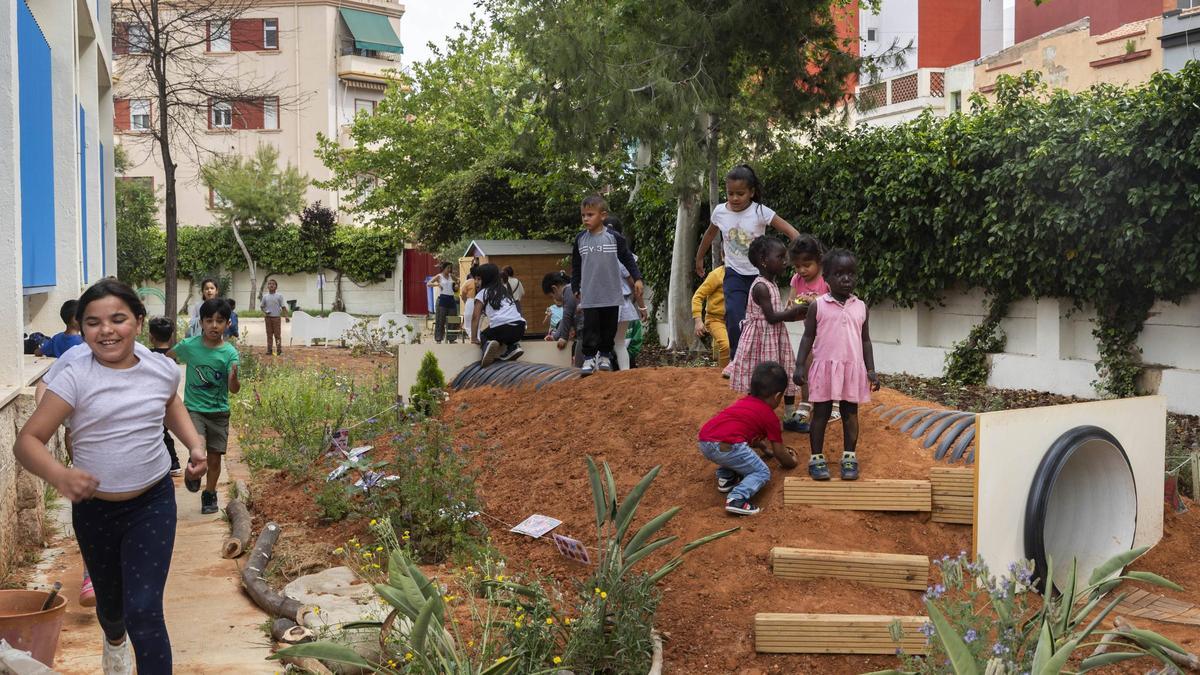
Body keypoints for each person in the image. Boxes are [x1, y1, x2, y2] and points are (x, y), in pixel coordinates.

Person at [14, 278, 207, 674]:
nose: (106, 330)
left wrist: (194, 444)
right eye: (93, 322)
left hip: (152, 503)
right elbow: (27, 441)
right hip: (95, 509)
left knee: (145, 611)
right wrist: (60, 476)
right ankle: (114, 640)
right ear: (81, 328)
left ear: (138, 322)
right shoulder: (75, 375)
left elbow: (170, 404)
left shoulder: (160, 368)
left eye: (118, 319)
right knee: (111, 606)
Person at [693, 164, 799, 362]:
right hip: (734, 274)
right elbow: (709, 235)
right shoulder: (720, 212)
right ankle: (737, 361)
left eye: (740, 194)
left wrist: (801, 253)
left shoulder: (760, 211)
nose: (734, 198)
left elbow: (790, 231)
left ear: (751, 192)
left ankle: (765, 361)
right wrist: (699, 258)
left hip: (761, 276)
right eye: (730, 193)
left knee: (764, 319)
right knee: (734, 316)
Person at [793, 249, 879, 482]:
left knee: (850, 413)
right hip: (824, 369)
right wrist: (799, 366)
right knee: (820, 413)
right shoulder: (818, 306)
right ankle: (816, 458)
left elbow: (865, 340)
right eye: (839, 274)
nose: (846, 278)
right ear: (826, 278)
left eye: (851, 273)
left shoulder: (861, 307)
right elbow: (807, 337)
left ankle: (849, 457)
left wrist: (871, 370)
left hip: (852, 369)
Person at [698, 361, 799, 516]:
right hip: (729, 445)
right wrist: (792, 461)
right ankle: (737, 498)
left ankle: (726, 477)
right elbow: (780, 453)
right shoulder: (770, 417)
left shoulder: (743, 402)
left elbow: (747, 434)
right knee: (762, 472)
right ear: (777, 396)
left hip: (705, 441)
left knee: (733, 453)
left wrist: (764, 448)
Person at [728, 236, 807, 427]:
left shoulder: (771, 284)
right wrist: (794, 312)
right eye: (780, 257)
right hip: (761, 339)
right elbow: (771, 317)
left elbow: (776, 316)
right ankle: (756, 416)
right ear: (764, 260)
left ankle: (788, 417)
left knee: (785, 370)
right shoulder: (761, 287)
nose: (785, 261)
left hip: (774, 336)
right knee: (764, 378)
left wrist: (799, 313)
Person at [170, 298, 240, 514]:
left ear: (228, 324)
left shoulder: (230, 353)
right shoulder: (189, 346)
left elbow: (234, 389)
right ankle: (194, 467)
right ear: (201, 322)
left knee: (215, 459)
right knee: (199, 448)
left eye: (220, 321)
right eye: (209, 320)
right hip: (194, 410)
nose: (214, 325)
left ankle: (209, 493)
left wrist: (233, 378)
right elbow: (167, 358)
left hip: (219, 413)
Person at [571, 195, 643, 375]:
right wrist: (575, 287)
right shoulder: (580, 239)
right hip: (590, 294)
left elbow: (628, 258)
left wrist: (637, 278)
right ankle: (589, 358)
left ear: (602, 215)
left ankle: (604, 355)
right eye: (583, 215)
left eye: (590, 214)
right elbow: (576, 265)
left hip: (611, 293)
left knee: (609, 328)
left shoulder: (614, 237)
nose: (586, 219)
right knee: (590, 327)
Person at [786, 235, 833, 431]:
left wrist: (815, 300)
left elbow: (836, 303)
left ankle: (834, 402)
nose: (801, 270)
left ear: (819, 261)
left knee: (831, 366)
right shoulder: (797, 280)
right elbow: (792, 304)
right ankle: (806, 400)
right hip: (811, 332)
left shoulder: (827, 278)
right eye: (797, 266)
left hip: (831, 333)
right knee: (805, 362)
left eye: (807, 265)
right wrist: (793, 307)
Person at [147, 317, 183, 477]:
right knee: (161, 431)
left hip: (153, 400)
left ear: (151, 336)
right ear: (171, 336)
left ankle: (173, 462)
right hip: (167, 398)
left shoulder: (148, 356)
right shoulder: (172, 357)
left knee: (160, 432)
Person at [471, 263, 526, 366]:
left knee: (484, 334)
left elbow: (475, 317)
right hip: (520, 327)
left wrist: (473, 337)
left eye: (479, 279)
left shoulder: (483, 293)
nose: (476, 282)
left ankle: (487, 345)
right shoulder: (504, 291)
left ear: (485, 279)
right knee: (506, 332)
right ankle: (513, 347)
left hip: (501, 329)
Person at [692, 266, 730, 370]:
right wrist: (698, 320)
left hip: (735, 319)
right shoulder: (716, 275)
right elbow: (698, 296)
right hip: (715, 319)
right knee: (726, 346)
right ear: (723, 257)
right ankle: (724, 376)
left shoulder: (745, 274)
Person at [543, 271, 583, 367]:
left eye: (552, 296)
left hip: (585, 332)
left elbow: (567, 316)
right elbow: (565, 319)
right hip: (584, 331)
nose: (553, 298)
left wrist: (564, 338)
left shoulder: (568, 290)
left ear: (554, 288)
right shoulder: (571, 288)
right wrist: (555, 336)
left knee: (579, 365)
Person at [427, 262, 459, 344]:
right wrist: (437, 284)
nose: (449, 269)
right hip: (442, 299)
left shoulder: (451, 276)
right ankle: (439, 338)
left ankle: (451, 339)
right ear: (443, 268)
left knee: (453, 319)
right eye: (448, 268)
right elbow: (428, 283)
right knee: (440, 320)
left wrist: (456, 285)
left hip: (451, 299)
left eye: (450, 268)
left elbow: (458, 280)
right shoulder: (439, 276)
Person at [260, 278, 289, 356]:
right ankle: (269, 350)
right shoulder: (265, 296)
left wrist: (286, 316)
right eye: (269, 284)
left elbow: (283, 307)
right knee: (269, 334)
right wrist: (265, 312)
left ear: (276, 286)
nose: (271, 285)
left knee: (277, 335)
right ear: (267, 286)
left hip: (276, 318)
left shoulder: (279, 296)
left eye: (273, 284)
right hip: (268, 318)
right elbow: (262, 306)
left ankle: (279, 350)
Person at [460, 265, 479, 343]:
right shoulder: (481, 281)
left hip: (470, 301)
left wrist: (465, 301)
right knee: (477, 321)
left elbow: (463, 293)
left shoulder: (468, 282)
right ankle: (476, 337)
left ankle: (472, 336)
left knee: (468, 322)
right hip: (479, 301)